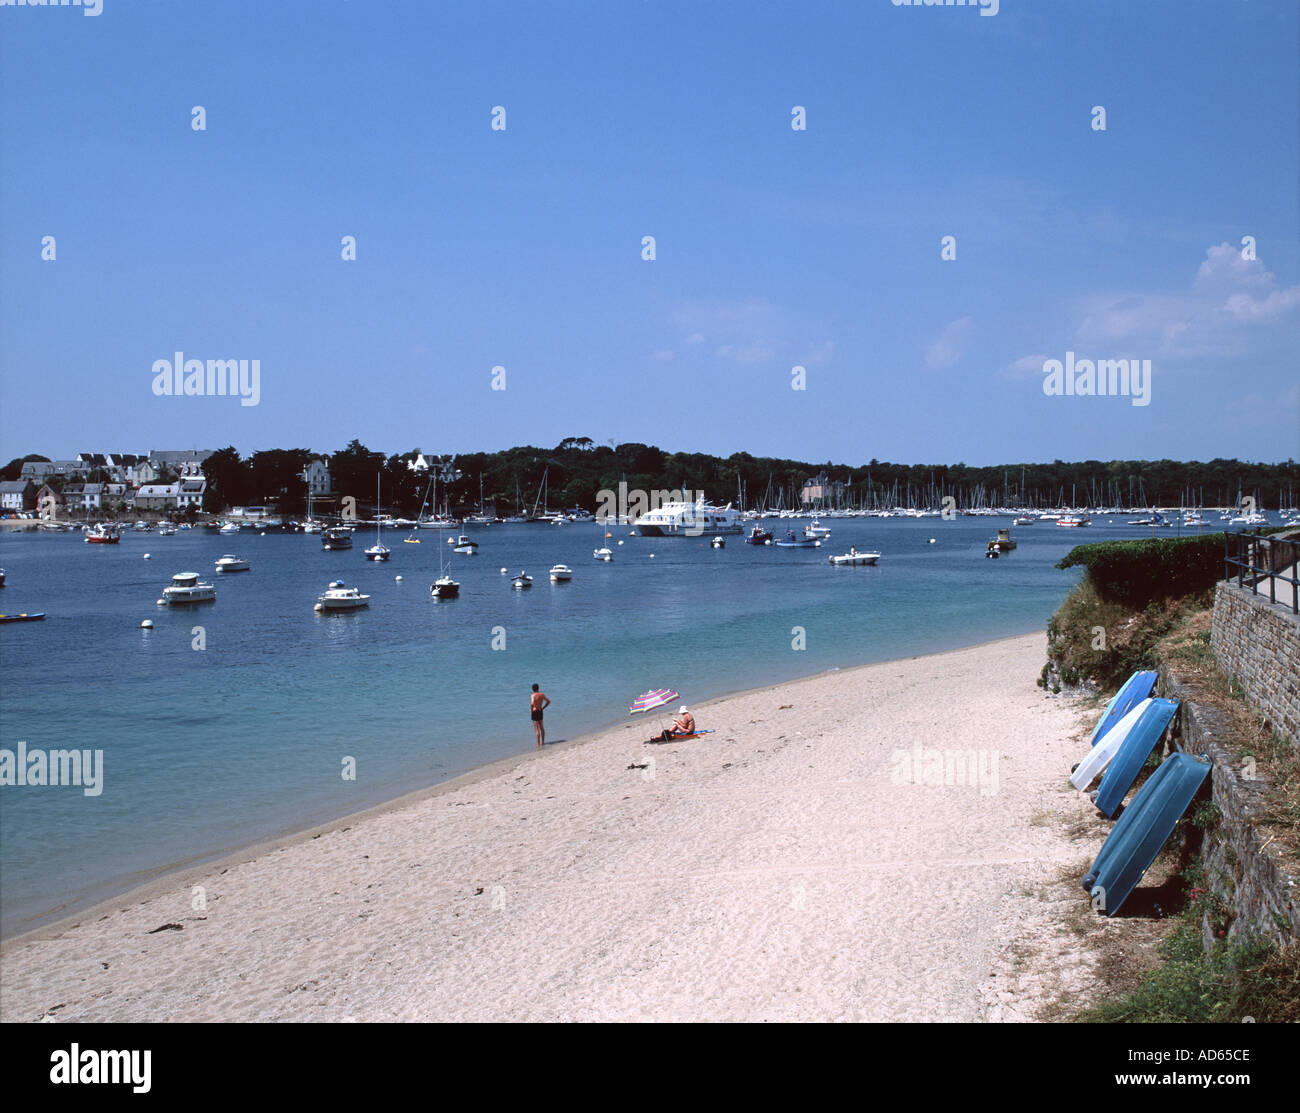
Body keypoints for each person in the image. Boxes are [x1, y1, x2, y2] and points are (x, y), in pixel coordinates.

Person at [530, 683, 550, 747]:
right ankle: (543, 742)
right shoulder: (542, 695)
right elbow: (548, 701)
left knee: (536, 729)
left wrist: (531, 710)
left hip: (535, 711)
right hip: (540, 711)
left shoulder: (533, 695)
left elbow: (532, 704)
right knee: (542, 727)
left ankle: (538, 744)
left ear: (533, 689)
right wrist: (543, 708)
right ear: (538, 688)